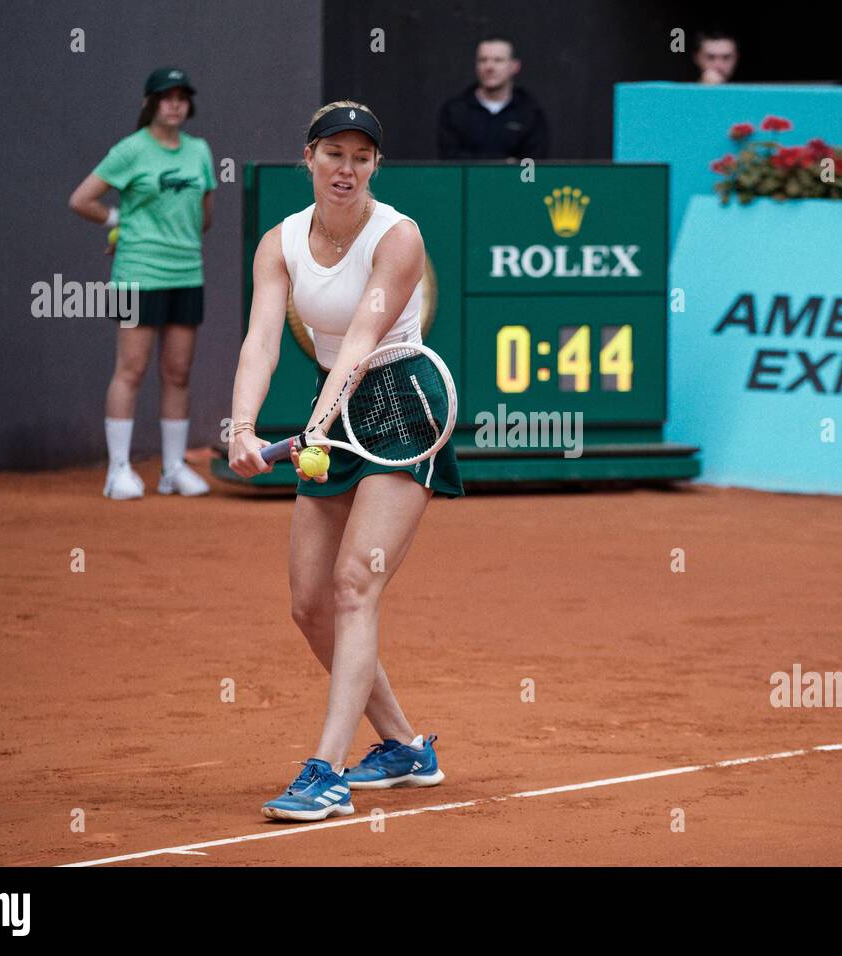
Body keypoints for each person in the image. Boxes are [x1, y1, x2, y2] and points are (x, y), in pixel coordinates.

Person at [228, 101, 464, 821]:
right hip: (337, 412)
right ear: (310, 157)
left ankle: (325, 771)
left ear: (374, 167)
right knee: (309, 606)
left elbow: (362, 341)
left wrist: (314, 426)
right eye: (335, 153)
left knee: (355, 584)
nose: (347, 168)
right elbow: (263, 342)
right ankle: (403, 747)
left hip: (400, 409)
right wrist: (240, 426)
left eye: (361, 157)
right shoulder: (280, 243)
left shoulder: (399, 237)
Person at [69, 67, 217, 499]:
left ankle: (172, 470)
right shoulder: (130, 150)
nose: (174, 103)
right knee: (131, 370)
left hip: (187, 272)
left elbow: (205, 216)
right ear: (150, 103)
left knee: (178, 372)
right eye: (165, 96)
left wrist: (175, 231)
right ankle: (118, 471)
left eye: (181, 96)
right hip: (137, 273)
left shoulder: (201, 151)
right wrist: (120, 222)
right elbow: (82, 199)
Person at [437, 36, 549, 160]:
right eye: (483, 60)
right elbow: (449, 161)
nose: (489, 67)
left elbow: (534, 164)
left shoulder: (530, 112)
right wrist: (502, 164)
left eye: (498, 60)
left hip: (514, 180)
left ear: (514, 66)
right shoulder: (455, 110)